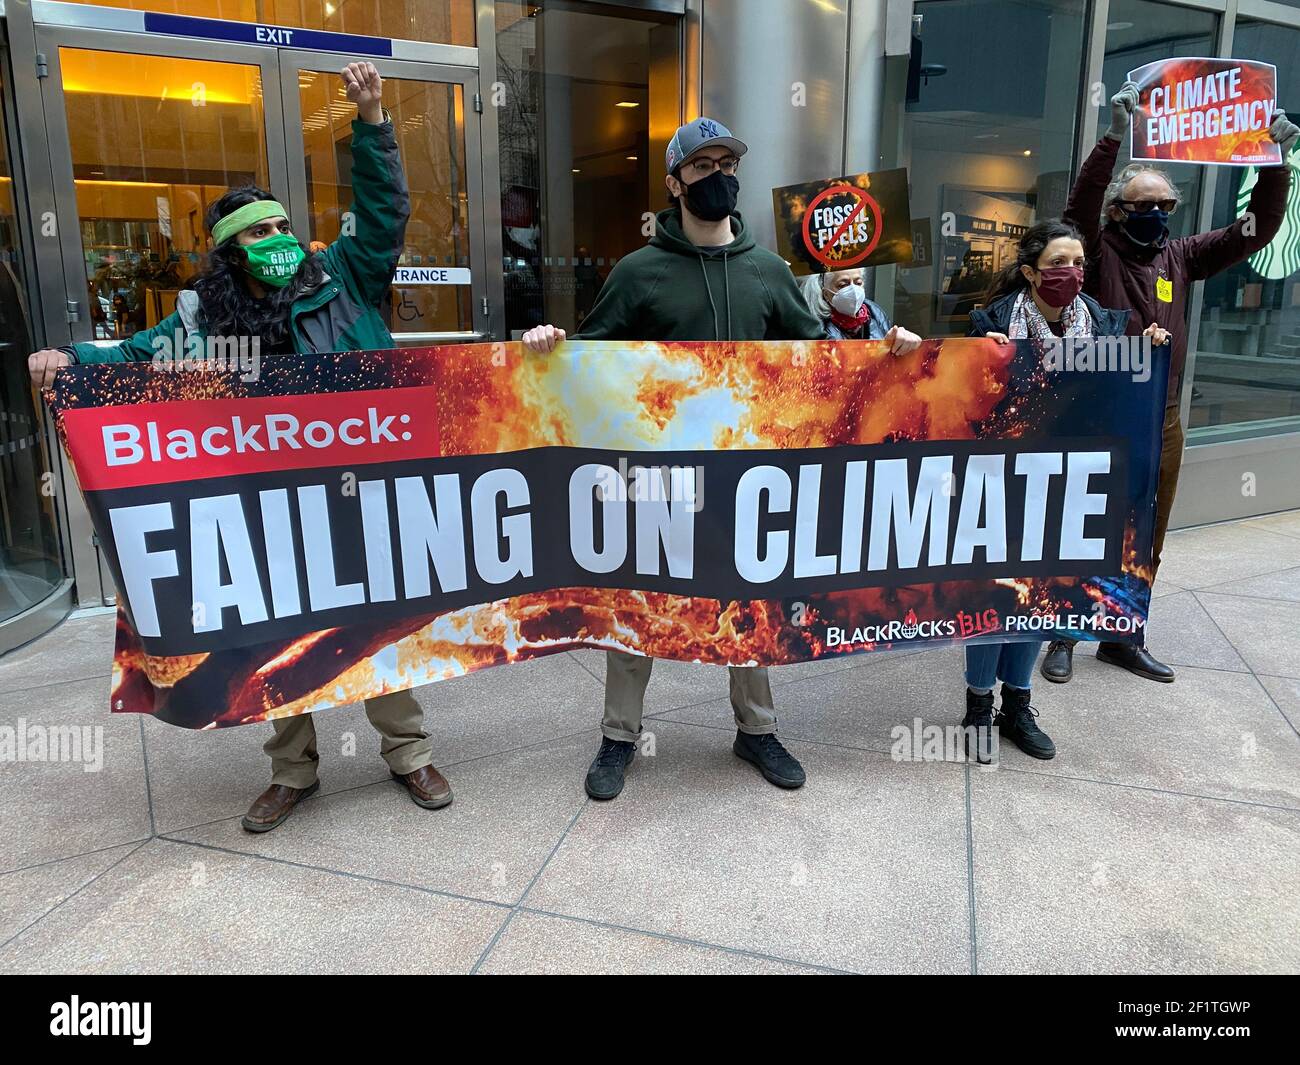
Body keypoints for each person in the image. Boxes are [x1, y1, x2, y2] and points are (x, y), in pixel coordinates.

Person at [29, 62, 452, 833]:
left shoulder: (343, 279)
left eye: (282, 226)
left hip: (356, 490)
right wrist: (66, 360)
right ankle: (293, 771)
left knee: (371, 621)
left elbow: (385, 214)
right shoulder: (198, 322)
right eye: (258, 232)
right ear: (229, 252)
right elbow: (129, 360)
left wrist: (371, 120)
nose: (278, 240)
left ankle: (409, 751)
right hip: (265, 504)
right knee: (273, 632)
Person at [522, 117, 826, 801]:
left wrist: (885, 347)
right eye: (702, 165)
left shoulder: (769, 271)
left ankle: (758, 729)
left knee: (748, 600)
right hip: (654, 479)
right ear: (674, 182)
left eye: (727, 162)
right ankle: (619, 737)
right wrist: (549, 346)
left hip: (745, 474)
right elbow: (591, 360)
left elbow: (822, 362)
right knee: (639, 603)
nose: (718, 175)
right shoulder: (639, 273)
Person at [1044, 82, 1300, 685]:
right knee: (1081, 526)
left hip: (1160, 421)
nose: (1156, 214)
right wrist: (1112, 139)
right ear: (1117, 212)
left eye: (1165, 205)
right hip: (1095, 417)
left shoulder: (1183, 256)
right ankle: (1062, 635)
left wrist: (1274, 162)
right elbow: (1078, 209)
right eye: (1143, 205)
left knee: (1146, 531)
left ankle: (1122, 635)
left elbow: (1259, 227)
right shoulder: (1096, 252)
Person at [966, 219, 1169, 761]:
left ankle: (1018, 705)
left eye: (1078, 263)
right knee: (994, 595)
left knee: (1043, 596)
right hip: (1002, 482)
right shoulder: (990, 323)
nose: (1071, 273)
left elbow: (1120, 396)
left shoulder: (1104, 326)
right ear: (1031, 272)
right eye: (1059, 264)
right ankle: (978, 707)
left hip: (1070, 486)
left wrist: (1146, 351)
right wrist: (979, 359)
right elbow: (962, 403)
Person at [797, 268, 923, 351]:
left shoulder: (875, 313)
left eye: (858, 283)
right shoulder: (814, 326)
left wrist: (899, 344)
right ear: (826, 294)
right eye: (843, 285)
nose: (853, 290)